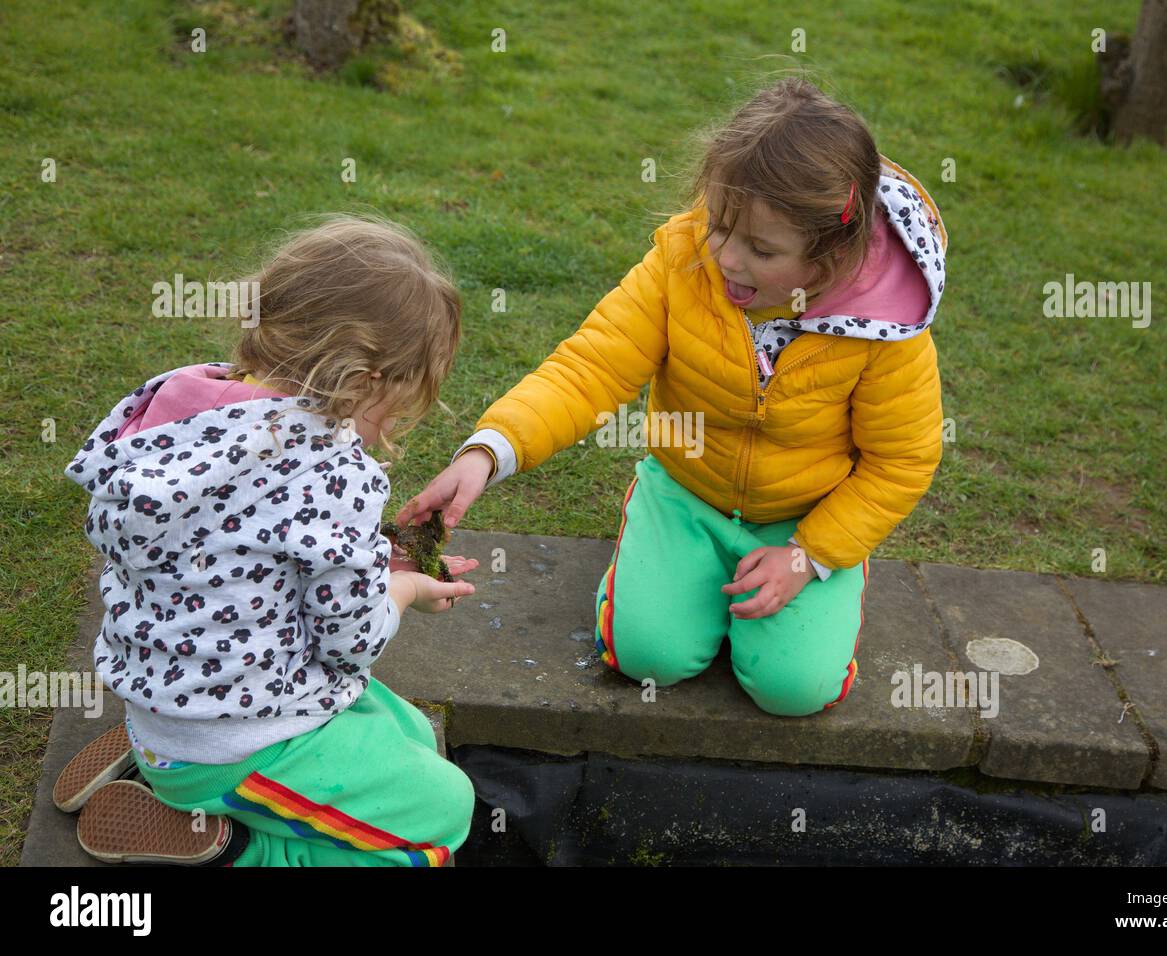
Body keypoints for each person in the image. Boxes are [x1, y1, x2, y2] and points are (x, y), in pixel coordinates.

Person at [397, 77, 947, 717]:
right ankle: (656, 546)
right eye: (720, 225)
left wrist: (811, 555)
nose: (725, 258)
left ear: (829, 259)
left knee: (792, 690)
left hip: (807, 517)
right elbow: (590, 368)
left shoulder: (888, 330)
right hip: (688, 492)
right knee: (648, 656)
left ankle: (820, 584)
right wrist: (488, 452)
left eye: (761, 249)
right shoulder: (682, 262)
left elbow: (900, 461)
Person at [60, 214, 478, 865]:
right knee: (444, 811)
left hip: (169, 697)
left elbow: (244, 552)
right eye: (395, 406)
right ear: (365, 381)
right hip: (235, 743)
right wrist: (407, 587)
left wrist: (371, 558)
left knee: (413, 734)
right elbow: (350, 642)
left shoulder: (181, 399)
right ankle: (232, 846)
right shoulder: (327, 471)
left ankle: (158, 762)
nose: (388, 425)